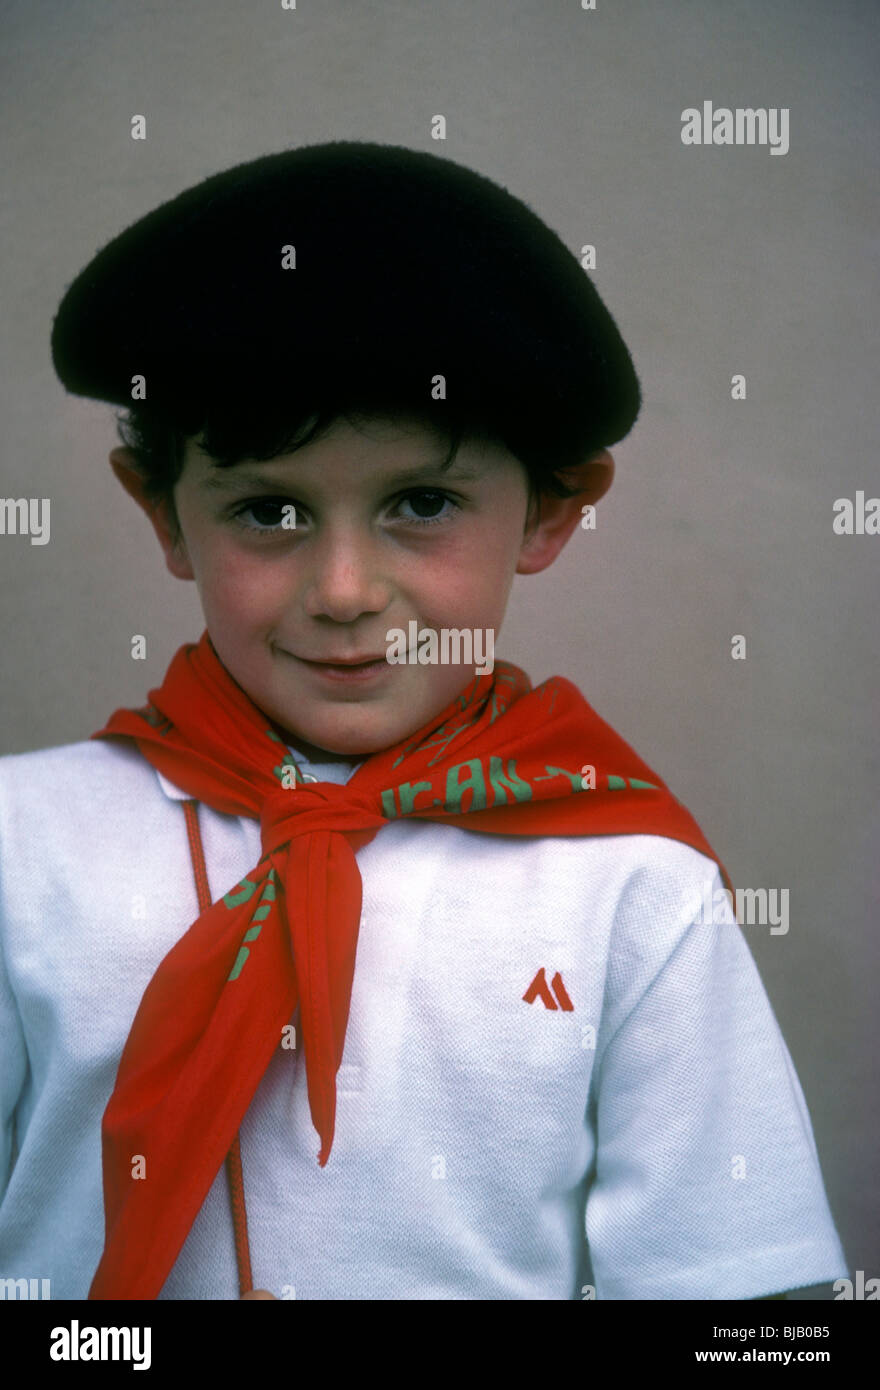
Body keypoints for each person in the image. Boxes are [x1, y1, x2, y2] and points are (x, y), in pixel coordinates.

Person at [0, 141, 847, 1301]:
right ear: (163, 515)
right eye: (269, 509)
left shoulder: (630, 886)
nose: (344, 589)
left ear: (551, 514)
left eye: (422, 503)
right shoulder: (19, 845)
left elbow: (739, 1296)